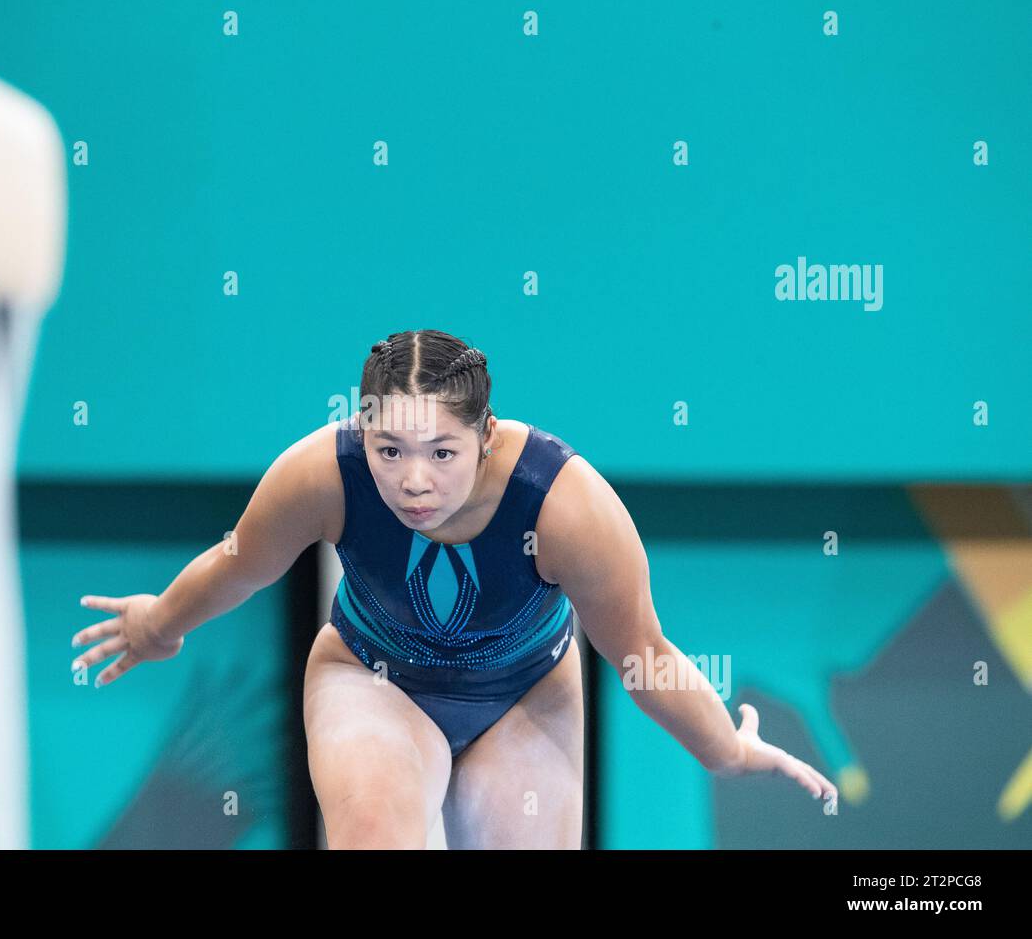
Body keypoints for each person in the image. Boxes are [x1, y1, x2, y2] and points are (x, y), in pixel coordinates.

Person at [71, 329, 838, 848]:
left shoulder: (567, 506)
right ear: (361, 428)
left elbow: (643, 655)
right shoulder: (320, 474)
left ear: (486, 432)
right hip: (371, 679)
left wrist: (726, 749)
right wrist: (159, 624)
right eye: (389, 449)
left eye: (442, 451)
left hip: (526, 694)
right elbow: (238, 562)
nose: (413, 480)